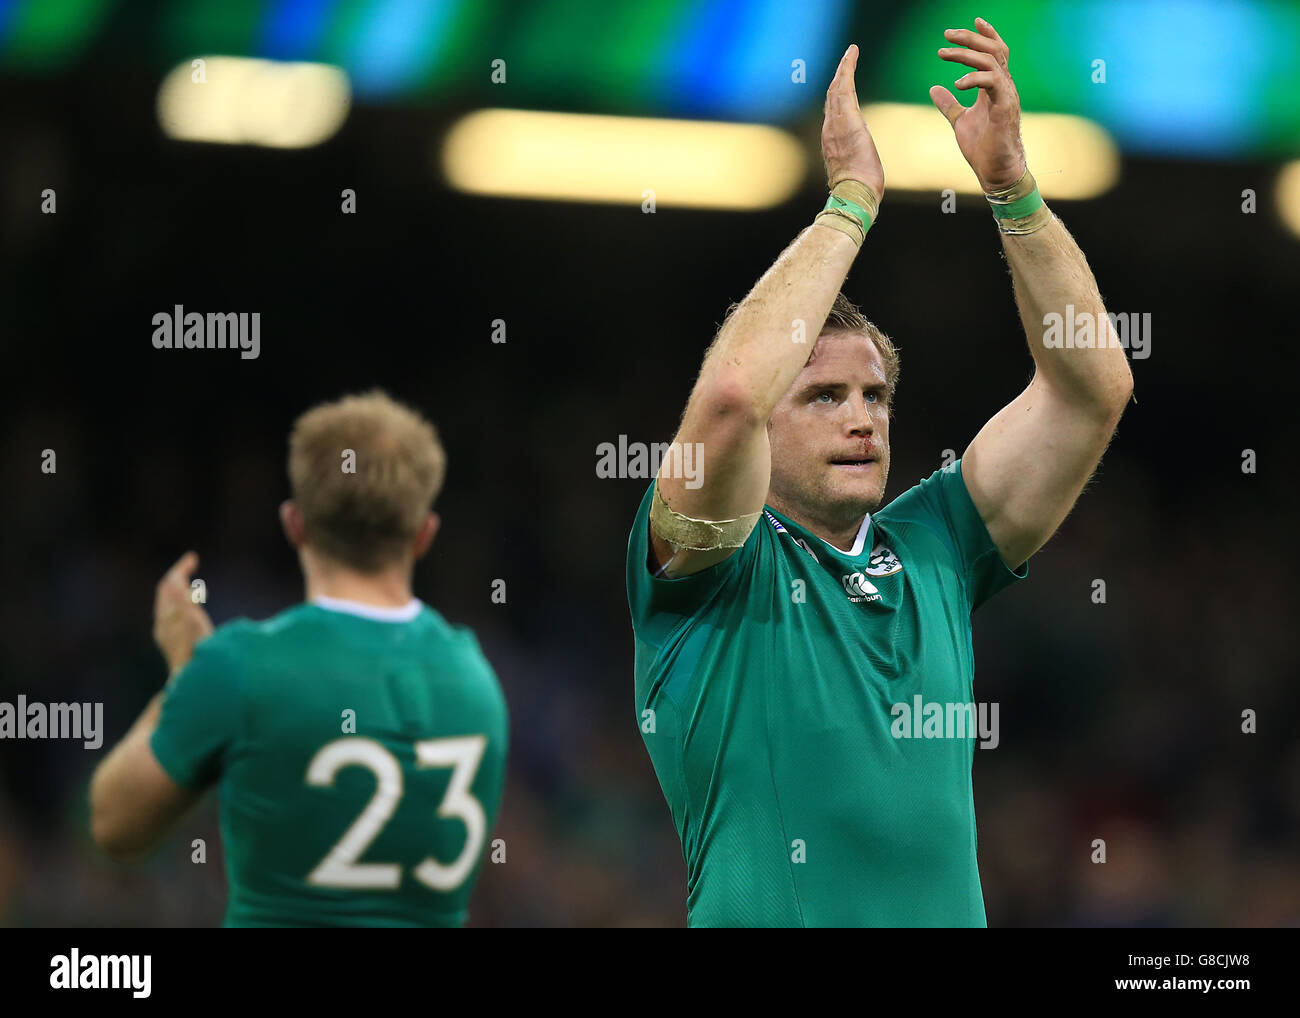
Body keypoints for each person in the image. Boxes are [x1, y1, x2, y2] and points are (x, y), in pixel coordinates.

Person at [626, 22, 1133, 926]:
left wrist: (1013, 187)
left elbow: (1094, 386)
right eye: (823, 397)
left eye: (875, 394)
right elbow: (734, 394)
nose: (861, 416)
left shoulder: (936, 543)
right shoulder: (705, 572)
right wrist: (851, 200)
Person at [90, 390, 508, 927]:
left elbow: (112, 826)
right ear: (425, 534)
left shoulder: (238, 665)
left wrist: (184, 672)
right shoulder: (477, 678)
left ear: (294, 524)